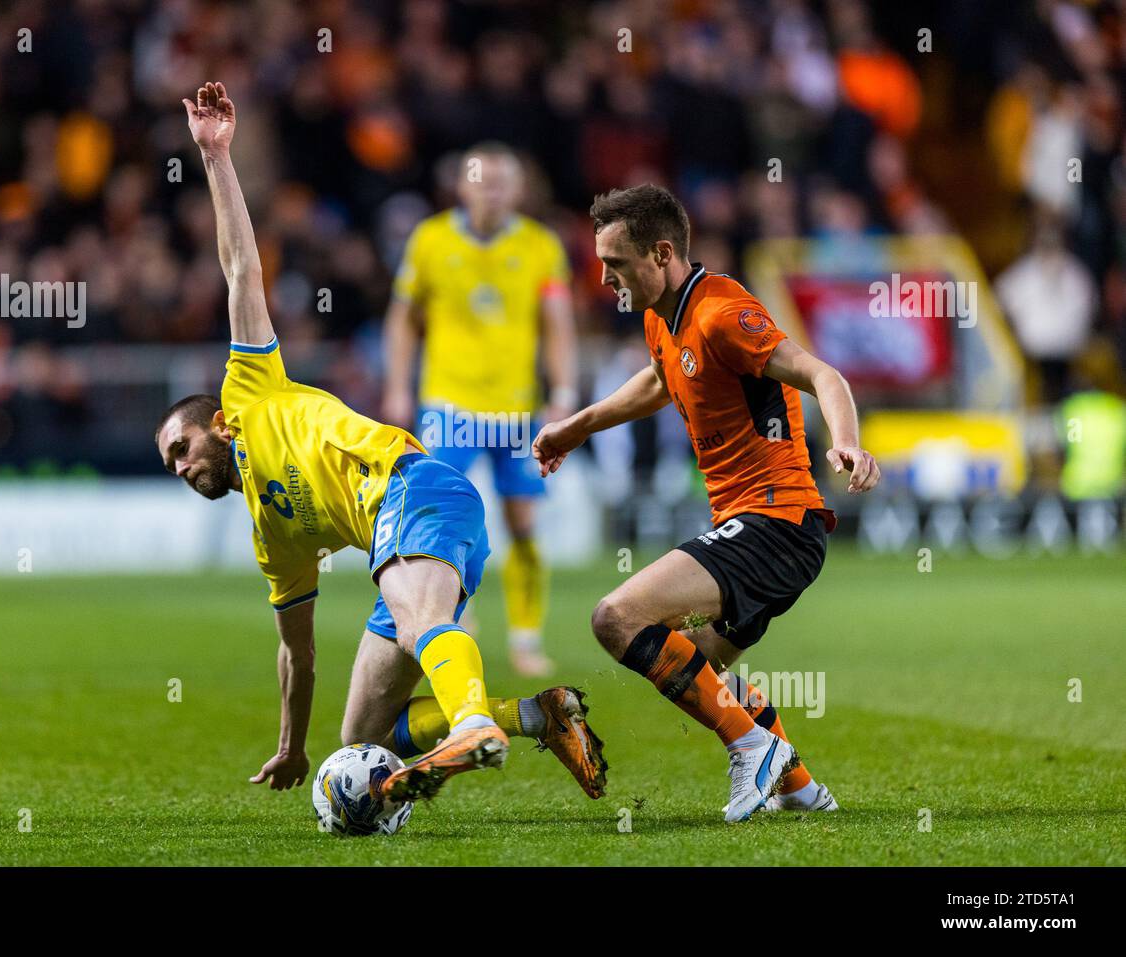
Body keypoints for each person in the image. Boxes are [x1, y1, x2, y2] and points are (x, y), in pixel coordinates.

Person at [156, 83, 607, 804]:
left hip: (412, 485)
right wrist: (289, 746)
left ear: (214, 423)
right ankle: (526, 715)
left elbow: (241, 267)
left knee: (419, 613)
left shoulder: (249, 390)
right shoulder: (271, 535)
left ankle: (467, 721)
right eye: (169, 465)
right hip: (409, 530)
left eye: (179, 447)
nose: (179, 468)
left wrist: (215, 157)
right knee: (361, 740)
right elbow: (296, 655)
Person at [533, 184, 881, 821]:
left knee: (616, 618)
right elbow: (664, 377)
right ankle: (797, 784)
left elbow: (822, 374)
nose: (604, 276)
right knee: (698, 672)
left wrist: (849, 446)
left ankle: (752, 747)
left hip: (777, 523)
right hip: (757, 527)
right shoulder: (661, 314)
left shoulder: (722, 311)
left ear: (661, 253)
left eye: (615, 263)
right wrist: (580, 424)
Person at [383, 143, 578, 676]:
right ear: (461, 186)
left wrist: (562, 391)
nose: (490, 190)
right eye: (480, 180)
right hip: (448, 405)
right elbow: (402, 317)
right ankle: (449, 624)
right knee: (442, 521)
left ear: (518, 190)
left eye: (501, 182)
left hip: (516, 411)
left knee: (522, 525)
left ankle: (525, 639)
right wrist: (399, 385)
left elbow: (557, 325)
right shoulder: (430, 240)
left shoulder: (541, 246)